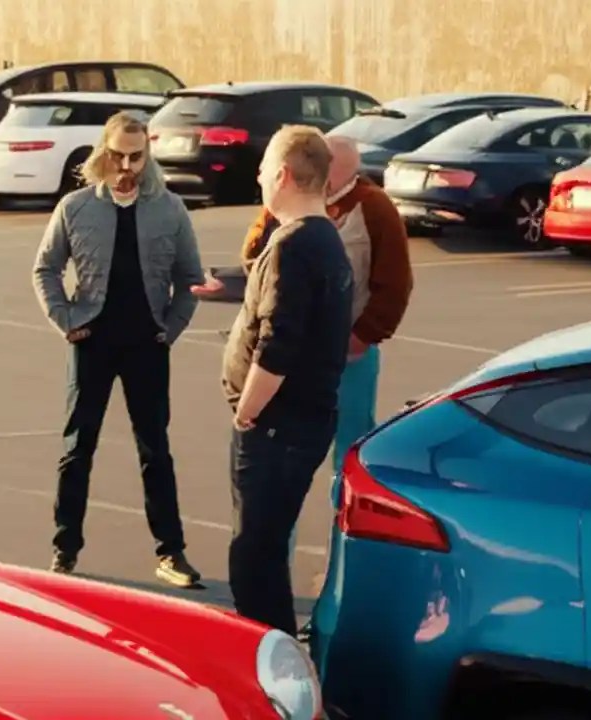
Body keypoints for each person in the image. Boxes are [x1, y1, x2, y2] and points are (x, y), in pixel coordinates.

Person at [31, 111, 206, 588]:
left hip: (147, 344)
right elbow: (45, 268)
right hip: (91, 341)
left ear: (147, 154)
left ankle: (171, 552)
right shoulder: (76, 207)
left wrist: (170, 329)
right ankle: (64, 549)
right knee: (77, 447)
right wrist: (66, 320)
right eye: (117, 155)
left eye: (136, 156)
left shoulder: (169, 208)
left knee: (156, 451)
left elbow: (190, 277)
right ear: (102, 153)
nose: (127, 166)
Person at [220, 135, 413, 498]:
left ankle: (347, 531)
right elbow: (254, 254)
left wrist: (360, 338)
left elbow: (396, 284)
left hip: (351, 357)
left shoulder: (373, 207)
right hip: (296, 370)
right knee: (279, 475)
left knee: (350, 452)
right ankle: (281, 544)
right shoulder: (288, 208)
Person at [220, 125, 354, 636]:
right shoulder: (325, 240)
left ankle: (264, 672)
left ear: (281, 174)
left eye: (261, 169)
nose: (256, 178)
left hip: (277, 429)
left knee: (253, 558)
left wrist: (247, 408)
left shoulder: (295, 244)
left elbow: (280, 342)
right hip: (302, 424)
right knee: (266, 550)